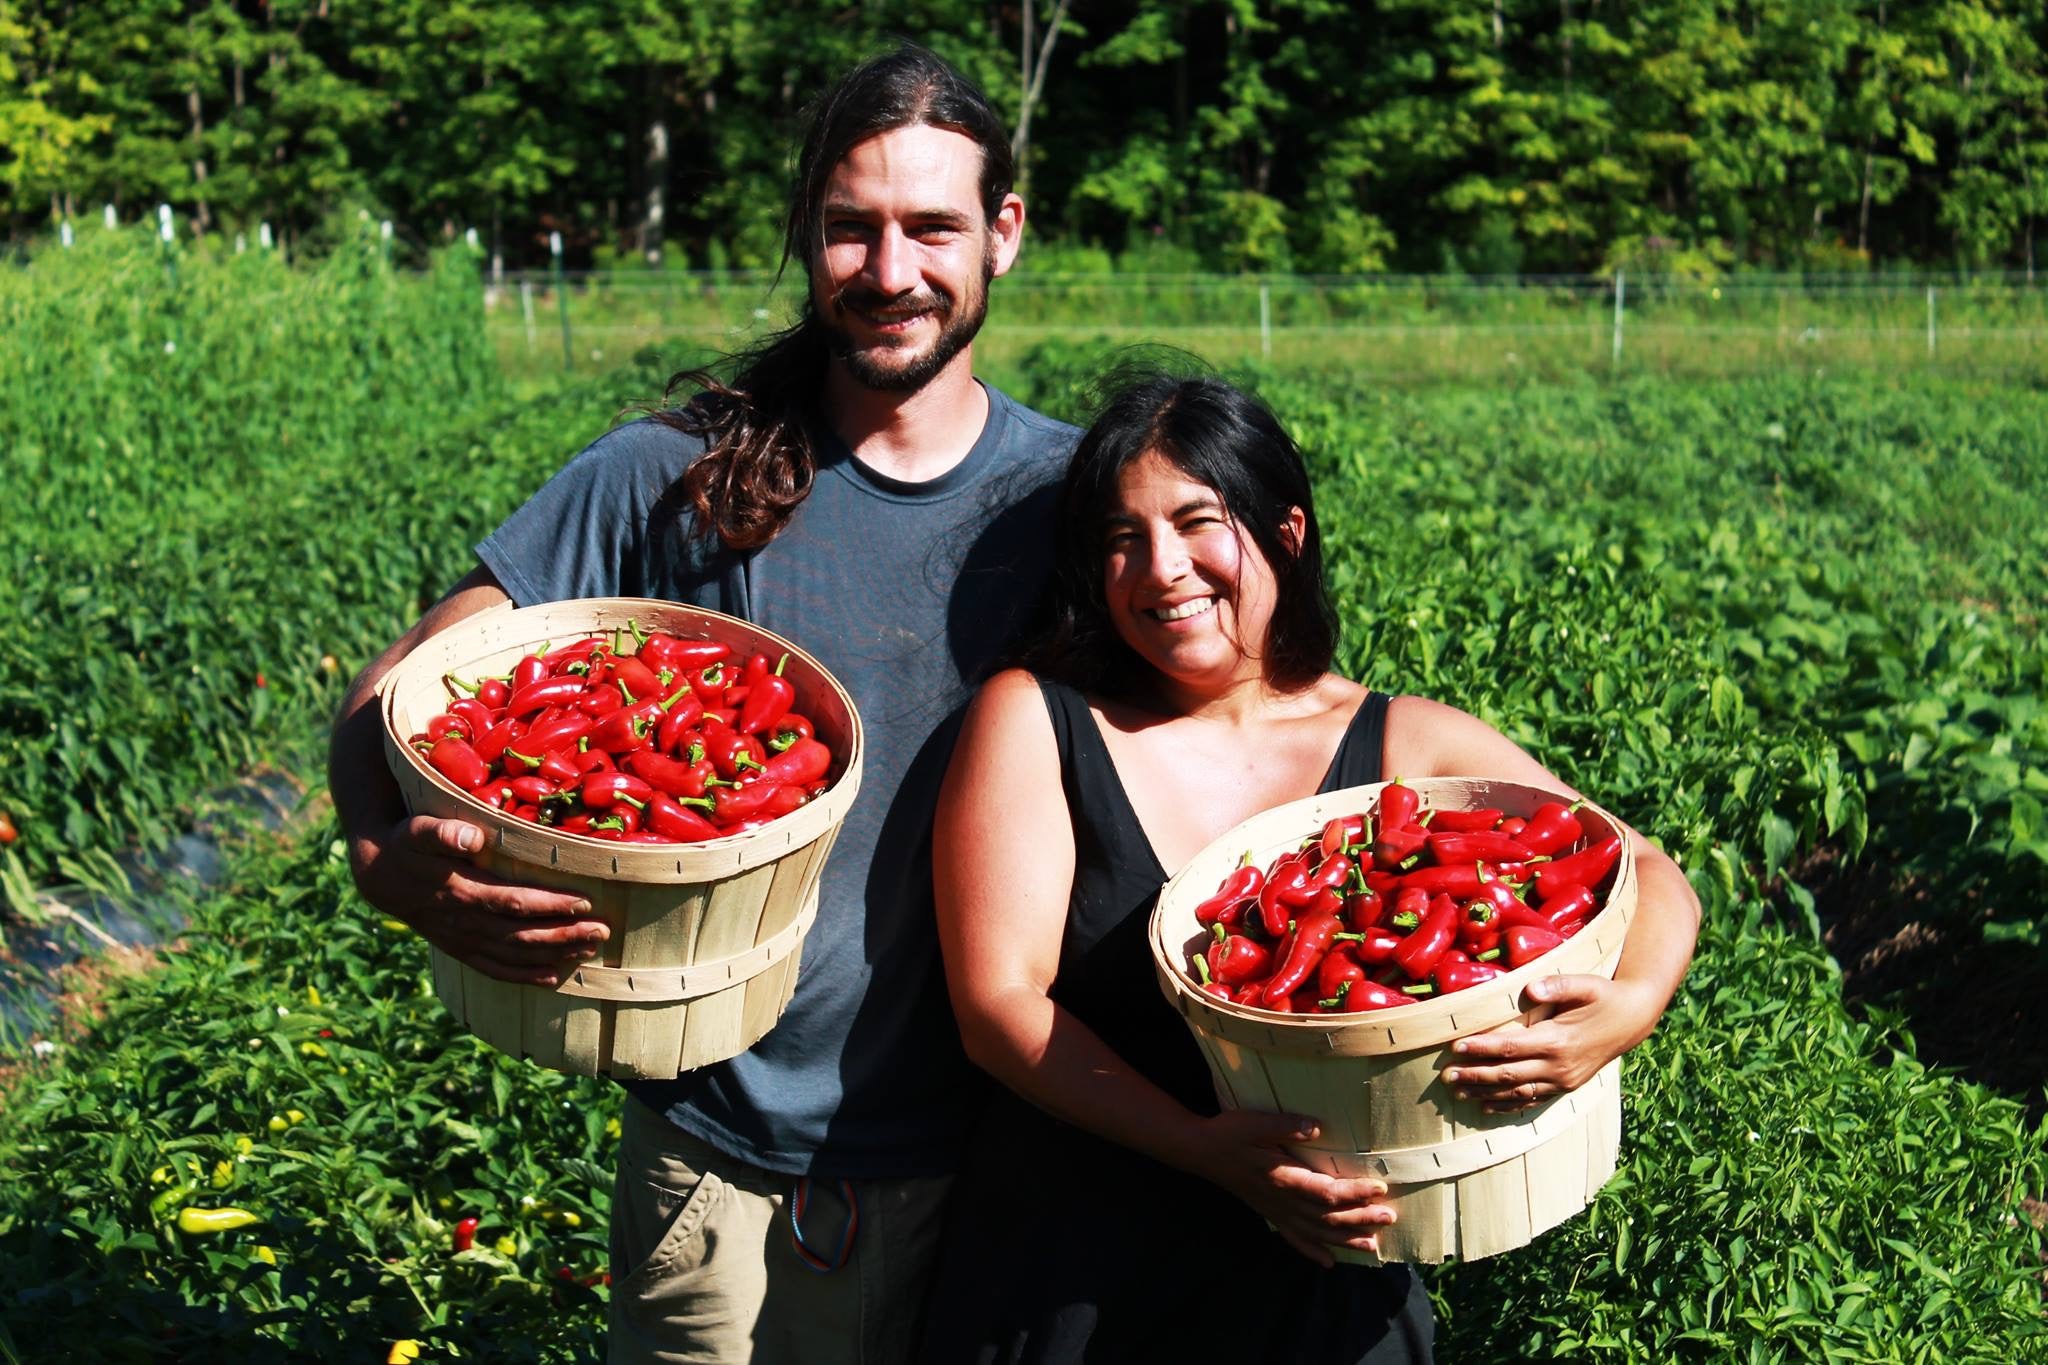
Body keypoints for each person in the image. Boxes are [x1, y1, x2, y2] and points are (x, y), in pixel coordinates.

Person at [325, 45, 1080, 1364]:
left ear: (1002, 234)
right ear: (805, 234)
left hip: (996, 1164)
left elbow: (1245, 739)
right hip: (718, 1159)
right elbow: (392, 694)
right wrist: (384, 863)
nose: (889, 270)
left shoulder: (1075, 508)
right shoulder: (674, 471)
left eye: (931, 227)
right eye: (849, 227)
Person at [921, 374, 1702, 1362]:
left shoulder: (1400, 740)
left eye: (1196, 523)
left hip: (1323, 1295)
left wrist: (1629, 1007)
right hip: (1077, 1277)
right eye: (1122, 538)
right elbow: (998, 1006)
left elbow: (1640, 866)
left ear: (1285, 534)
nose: (1160, 569)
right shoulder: (1039, 719)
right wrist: (1202, 1147)